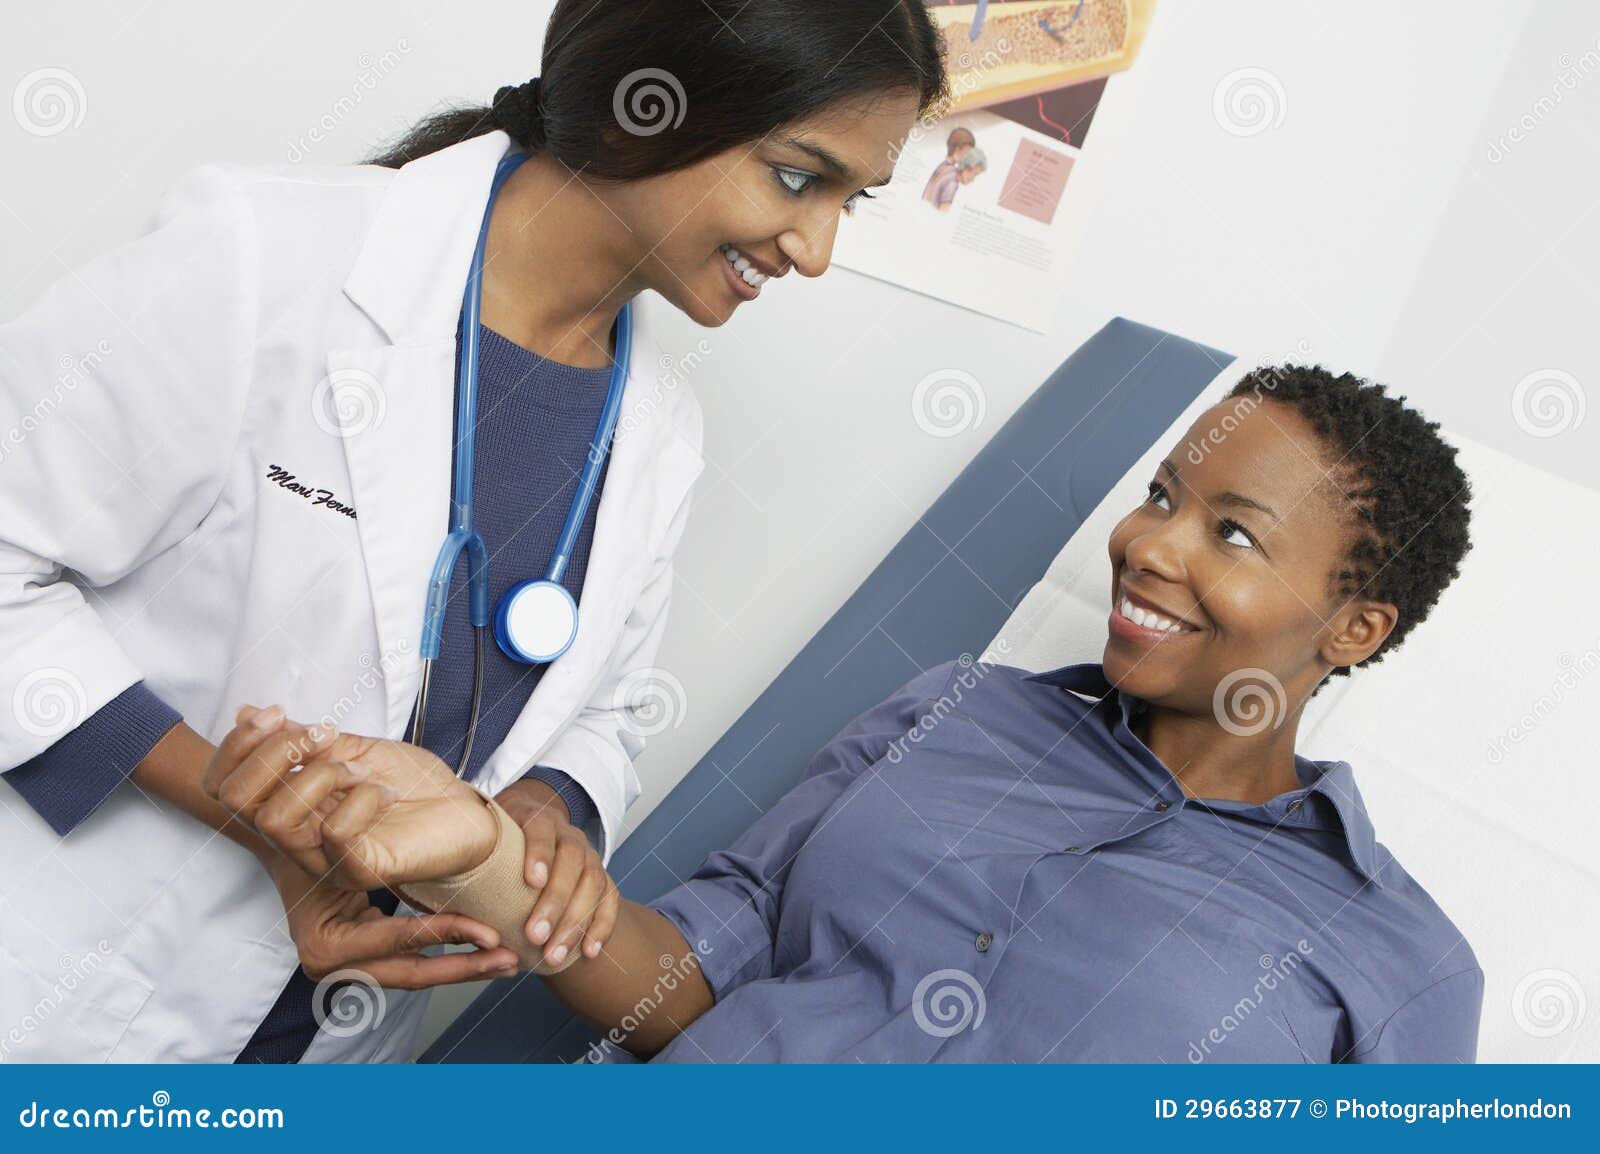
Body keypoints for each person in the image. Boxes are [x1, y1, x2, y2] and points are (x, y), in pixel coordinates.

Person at [0, 0, 947, 1062]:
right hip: (62, 994)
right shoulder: (271, 256)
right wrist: (257, 815)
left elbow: (610, 711)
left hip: (329, 1038)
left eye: (850, 203)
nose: (815, 249)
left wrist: (551, 802)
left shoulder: (656, 431)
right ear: (648, 104)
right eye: (795, 175)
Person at [213, 365, 1485, 1062]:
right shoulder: (952, 715)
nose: (1147, 544)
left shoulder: (1400, 970)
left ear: (1353, 626)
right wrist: (487, 852)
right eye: (1160, 493)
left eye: (1231, 532)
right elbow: (679, 987)